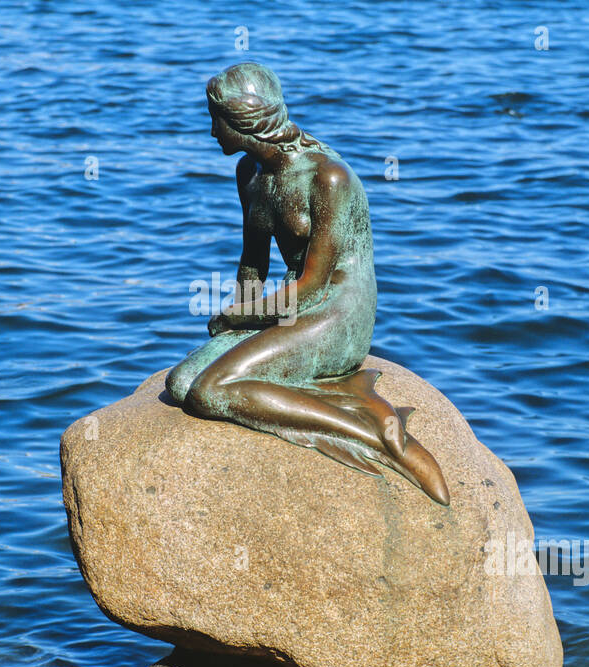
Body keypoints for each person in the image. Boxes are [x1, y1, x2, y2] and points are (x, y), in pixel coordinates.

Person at [166, 62, 449, 505]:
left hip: (336, 310)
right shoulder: (250, 175)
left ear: (245, 122)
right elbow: (253, 262)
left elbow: (315, 284)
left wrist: (238, 315)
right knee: (183, 382)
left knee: (210, 390)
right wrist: (239, 318)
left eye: (215, 120)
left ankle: (375, 432)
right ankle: (328, 391)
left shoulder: (327, 177)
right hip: (291, 305)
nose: (211, 131)